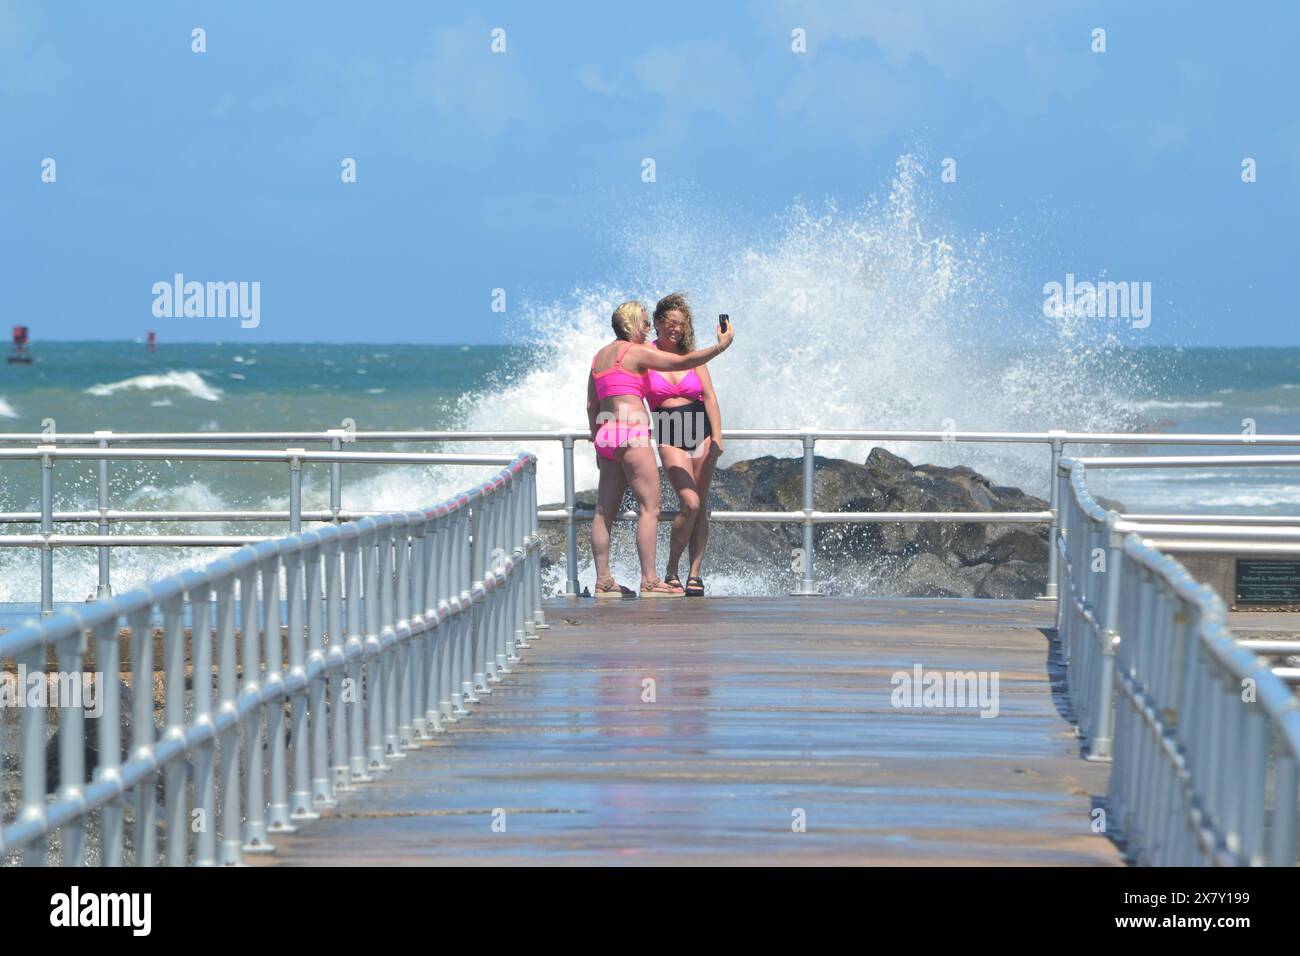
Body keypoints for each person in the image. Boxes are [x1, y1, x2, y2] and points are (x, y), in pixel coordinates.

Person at [587, 300, 734, 597]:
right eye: (643, 322)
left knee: (604, 511)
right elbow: (681, 363)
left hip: (606, 434)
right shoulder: (639, 351)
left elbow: (591, 405)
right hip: (634, 432)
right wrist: (720, 347)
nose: (646, 328)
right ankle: (652, 580)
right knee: (650, 508)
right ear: (634, 324)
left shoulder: (599, 357)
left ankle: (604, 580)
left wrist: (596, 437)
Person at [646, 293, 723, 597]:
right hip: (668, 427)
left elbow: (711, 397)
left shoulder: (692, 356)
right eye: (670, 323)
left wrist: (717, 436)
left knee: (700, 506)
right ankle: (671, 568)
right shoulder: (646, 353)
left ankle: (694, 574)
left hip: (699, 426)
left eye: (681, 324)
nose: (675, 329)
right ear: (657, 323)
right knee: (688, 503)